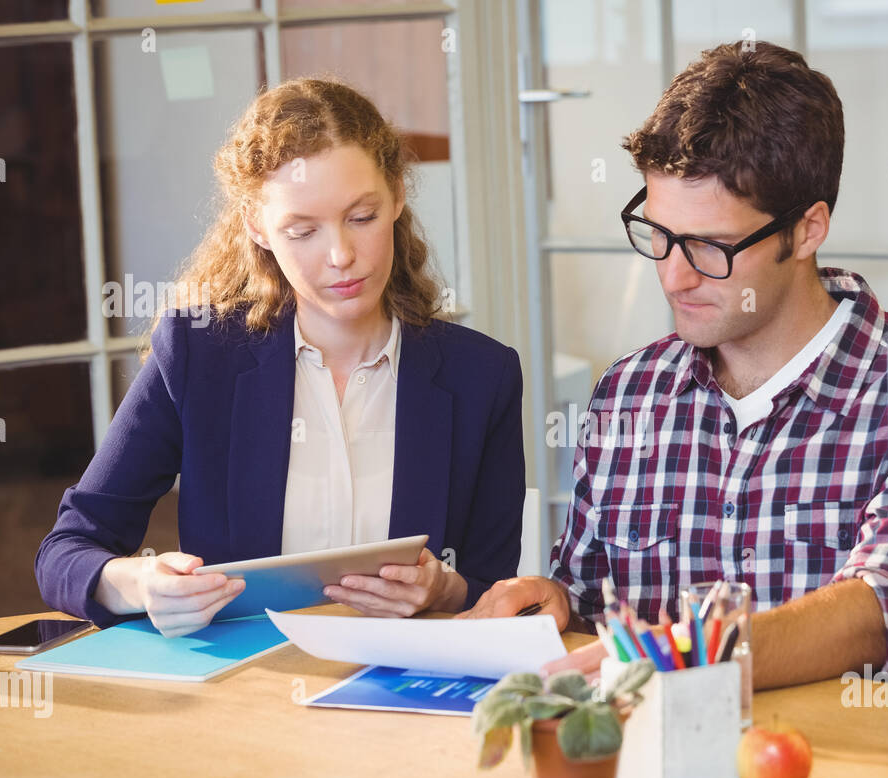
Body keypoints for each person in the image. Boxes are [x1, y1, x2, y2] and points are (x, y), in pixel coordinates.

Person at [463, 41, 888, 689]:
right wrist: (548, 599)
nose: (673, 277)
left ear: (808, 230)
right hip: (646, 774)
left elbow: (881, 609)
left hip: (828, 776)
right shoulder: (629, 393)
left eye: (710, 247)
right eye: (661, 235)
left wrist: (680, 653)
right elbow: (586, 597)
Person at [36, 78, 525, 638]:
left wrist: (446, 590)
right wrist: (142, 583)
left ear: (396, 194)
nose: (341, 255)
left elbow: (495, 588)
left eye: (361, 217)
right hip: (245, 695)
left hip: (403, 696)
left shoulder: (482, 376)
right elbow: (67, 550)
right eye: (303, 230)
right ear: (257, 227)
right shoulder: (199, 355)